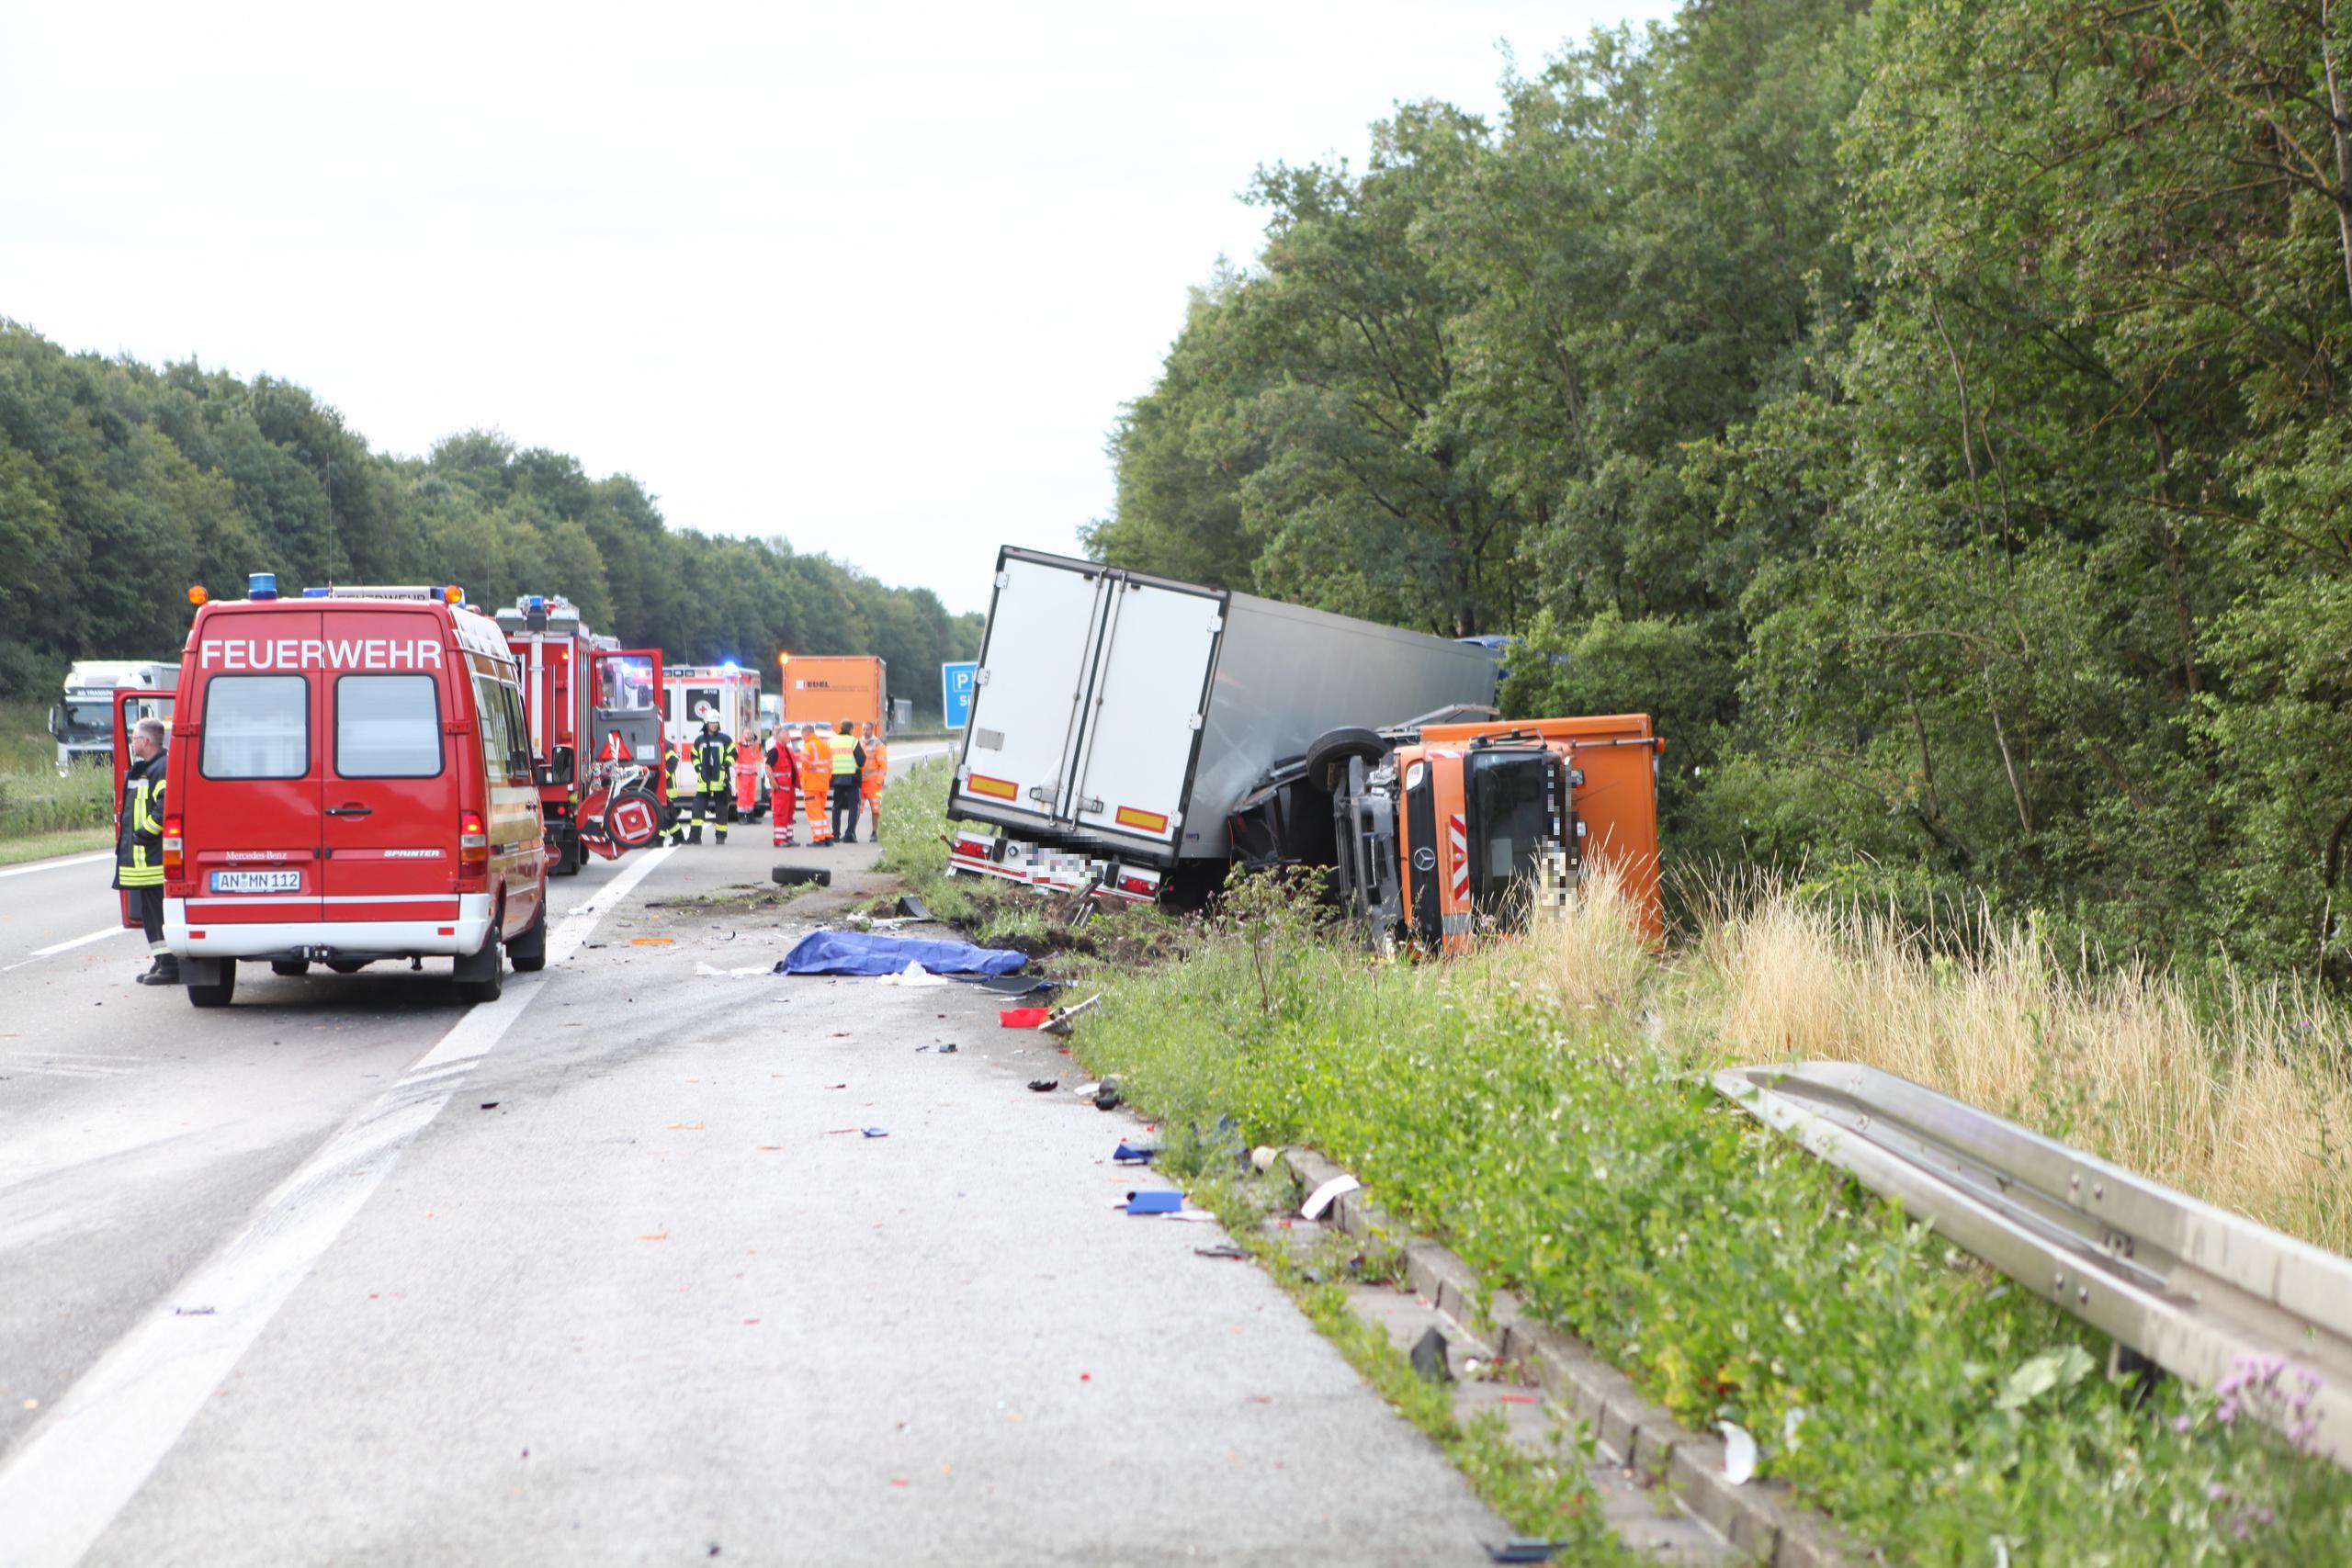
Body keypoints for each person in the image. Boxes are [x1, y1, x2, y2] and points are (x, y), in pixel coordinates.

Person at [115, 716, 175, 985]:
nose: (132, 742)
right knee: (151, 914)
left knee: (157, 913)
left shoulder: (161, 768)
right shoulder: (148, 767)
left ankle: (170, 965)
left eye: (134, 738)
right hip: (143, 859)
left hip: (151, 858)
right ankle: (162, 961)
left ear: (146, 741)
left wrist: (142, 835)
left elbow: (164, 809)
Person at [692, 716, 733, 845]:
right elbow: (694, 756)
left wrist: (724, 765)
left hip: (720, 779)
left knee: (721, 809)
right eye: (712, 723)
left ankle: (721, 837)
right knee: (697, 808)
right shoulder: (699, 740)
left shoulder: (725, 739)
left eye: (716, 722)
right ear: (706, 724)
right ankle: (695, 837)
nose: (714, 725)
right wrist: (698, 768)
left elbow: (733, 754)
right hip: (703, 780)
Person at [828, 719, 866, 844]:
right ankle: (849, 834)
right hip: (851, 779)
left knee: (836, 806)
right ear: (851, 729)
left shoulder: (831, 742)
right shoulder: (853, 741)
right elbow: (861, 760)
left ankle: (835, 835)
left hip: (836, 777)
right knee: (853, 807)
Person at [797, 728, 832, 845]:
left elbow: (803, 761)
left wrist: (809, 768)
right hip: (823, 784)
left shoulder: (808, 746)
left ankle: (819, 839)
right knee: (821, 811)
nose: (802, 738)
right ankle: (827, 836)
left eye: (802, 736)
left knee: (814, 813)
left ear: (806, 734)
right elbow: (830, 765)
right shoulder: (825, 745)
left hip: (812, 784)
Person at [765, 727, 797, 846]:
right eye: (787, 735)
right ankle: (779, 839)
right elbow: (768, 767)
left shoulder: (787, 750)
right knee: (780, 814)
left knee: (789, 814)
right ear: (780, 737)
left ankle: (788, 837)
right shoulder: (775, 751)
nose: (789, 737)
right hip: (781, 789)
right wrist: (773, 782)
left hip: (789, 788)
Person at [663, 740, 696, 846]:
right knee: (668, 815)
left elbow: (673, 759)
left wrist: (664, 774)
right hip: (661, 787)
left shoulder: (664, 745)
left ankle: (658, 839)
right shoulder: (656, 742)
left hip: (667, 787)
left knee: (665, 815)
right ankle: (679, 837)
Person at [859, 723, 888, 840]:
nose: (865, 732)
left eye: (867, 730)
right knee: (856, 810)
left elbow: (883, 764)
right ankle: (851, 833)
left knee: (875, 809)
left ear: (872, 730)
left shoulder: (878, 745)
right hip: (860, 782)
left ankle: (875, 832)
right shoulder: (859, 743)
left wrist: (879, 780)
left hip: (873, 783)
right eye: (864, 729)